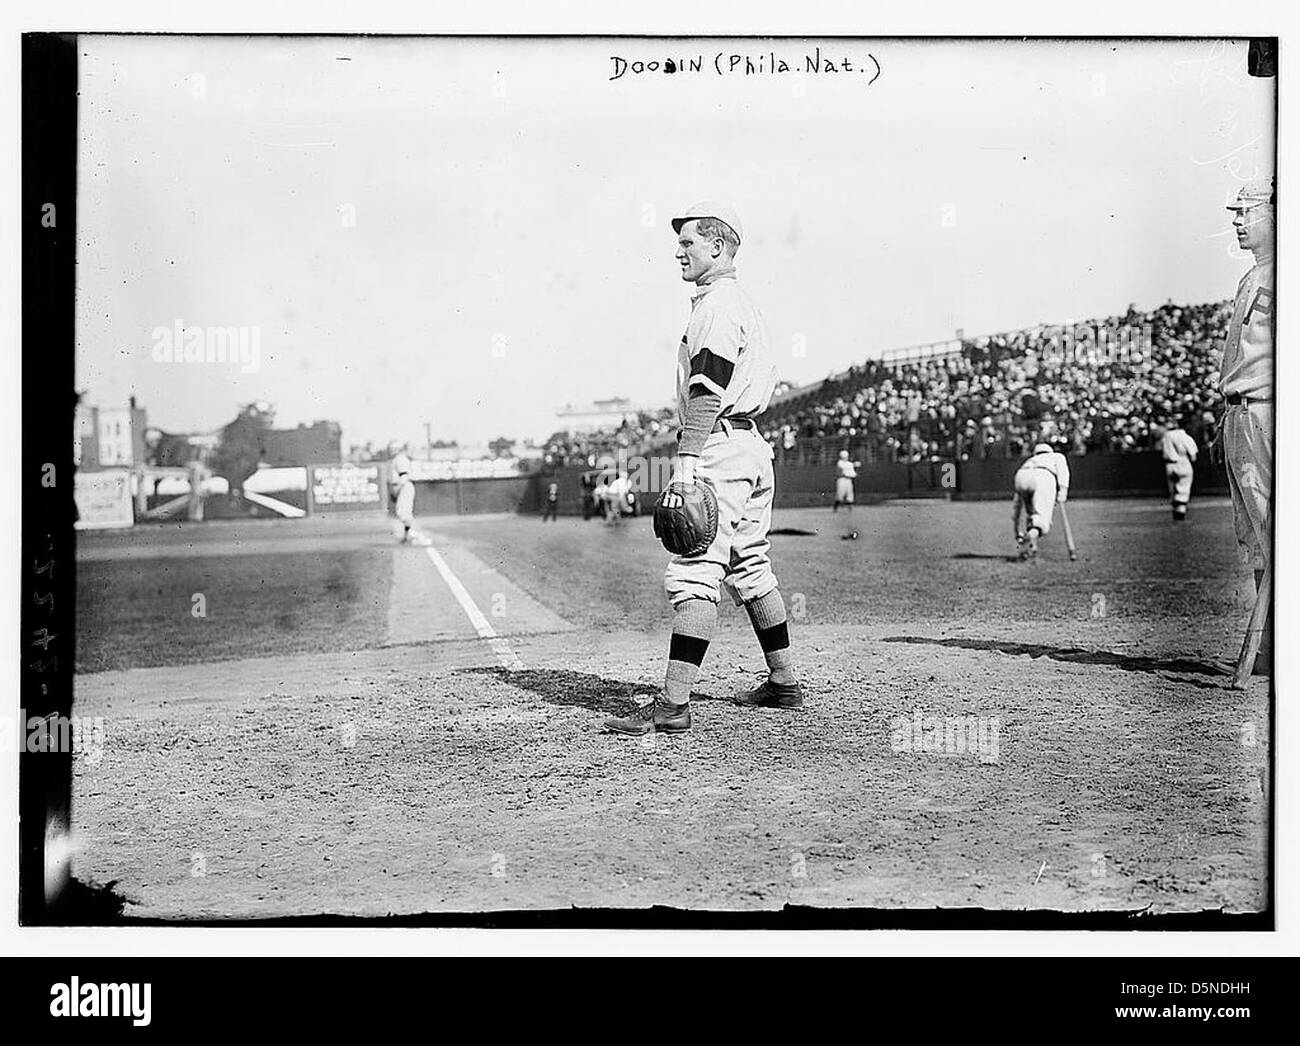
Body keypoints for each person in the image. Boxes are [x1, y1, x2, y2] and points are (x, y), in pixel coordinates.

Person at [605, 201, 803, 736]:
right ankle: (784, 683)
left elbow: (706, 387)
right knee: (751, 564)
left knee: (695, 571)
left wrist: (686, 461)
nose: (678, 251)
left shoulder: (716, 305)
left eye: (688, 243)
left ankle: (671, 704)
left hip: (717, 445)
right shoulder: (743, 304)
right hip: (752, 448)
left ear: (717, 247)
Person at [1214, 177, 1274, 675]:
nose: (1236, 222)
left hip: (1268, 408)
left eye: (1246, 212)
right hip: (1239, 412)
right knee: (1256, 530)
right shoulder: (1252, 276)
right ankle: (1269, 647)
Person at [1011, 441, 1070, 560]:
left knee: (1030, 514)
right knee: (1042, 518)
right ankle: (1030, 537)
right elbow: (1063, 473)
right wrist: (1063, 491)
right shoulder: (1057, 456)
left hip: (1021, 476)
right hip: (1043, 476)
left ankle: (1028, 543)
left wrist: (1017, 530)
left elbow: (1017, 506)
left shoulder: (1030, 460)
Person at [1158, 416, 1199, 521]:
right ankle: (1180, 514)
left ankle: (1176, 513)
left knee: (1173, 490)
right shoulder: (1186, 437)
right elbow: (1193, 456)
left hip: (1170, 464)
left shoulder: (1166, 435)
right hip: (1183, 462)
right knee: (1183, 490)